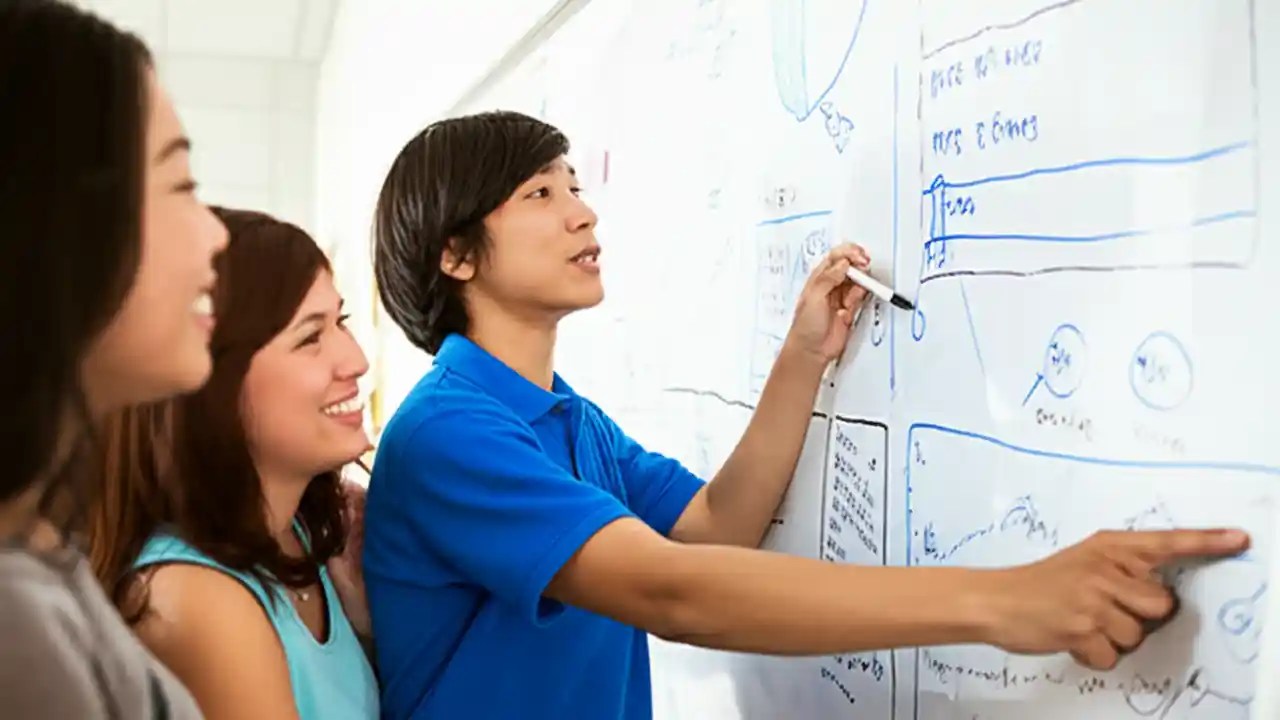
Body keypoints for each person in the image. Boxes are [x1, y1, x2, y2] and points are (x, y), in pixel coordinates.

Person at [363, 110, 1250, 719]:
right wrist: (1005, 601)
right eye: (540, 196)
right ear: (456, 254)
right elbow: (669, 589)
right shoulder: (451, 431)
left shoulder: (567, 420)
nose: (582, 211)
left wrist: (801, 357)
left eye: (572, 186)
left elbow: (713, 530)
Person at [0, 1, 228, 716]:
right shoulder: (15, 630)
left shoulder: (41, 555)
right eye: (182, 185)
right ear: (53, 216)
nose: (215, 234)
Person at [88, 207, 380, 720]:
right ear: (209, 382)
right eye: (311, 337)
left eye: (342, 322)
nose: (356, 360)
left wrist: (361, 623)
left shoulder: (300, 541)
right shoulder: (196, 598)